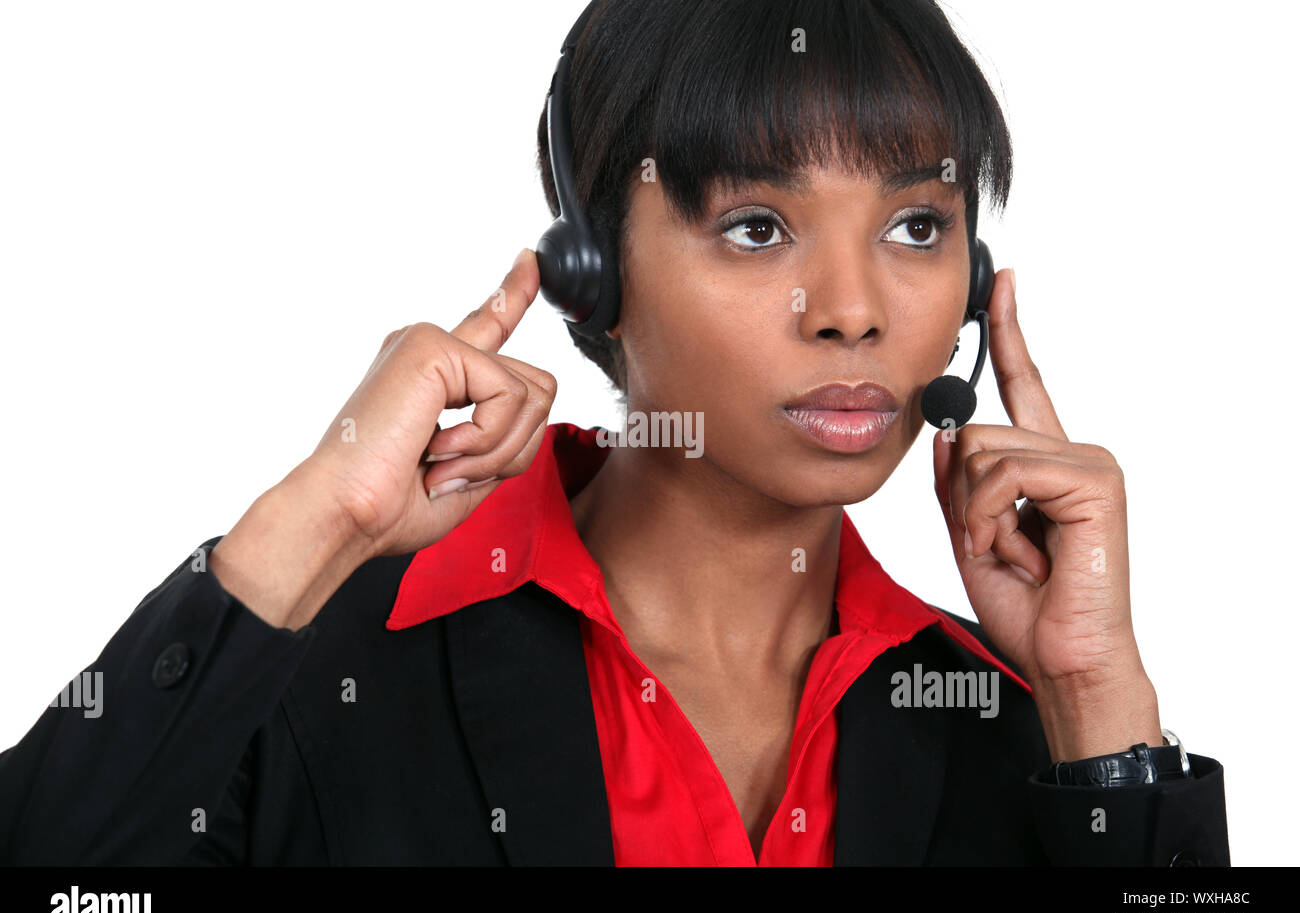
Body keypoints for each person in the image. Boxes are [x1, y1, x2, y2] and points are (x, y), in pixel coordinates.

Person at [0, 0, 1228, 866]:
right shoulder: (320, 674)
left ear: (975, 282)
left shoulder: (1013, 717)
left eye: (916, 227)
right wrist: (311, 523)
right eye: (756, 226)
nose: (854, 311)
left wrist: (1093, 701)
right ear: (591, 278)